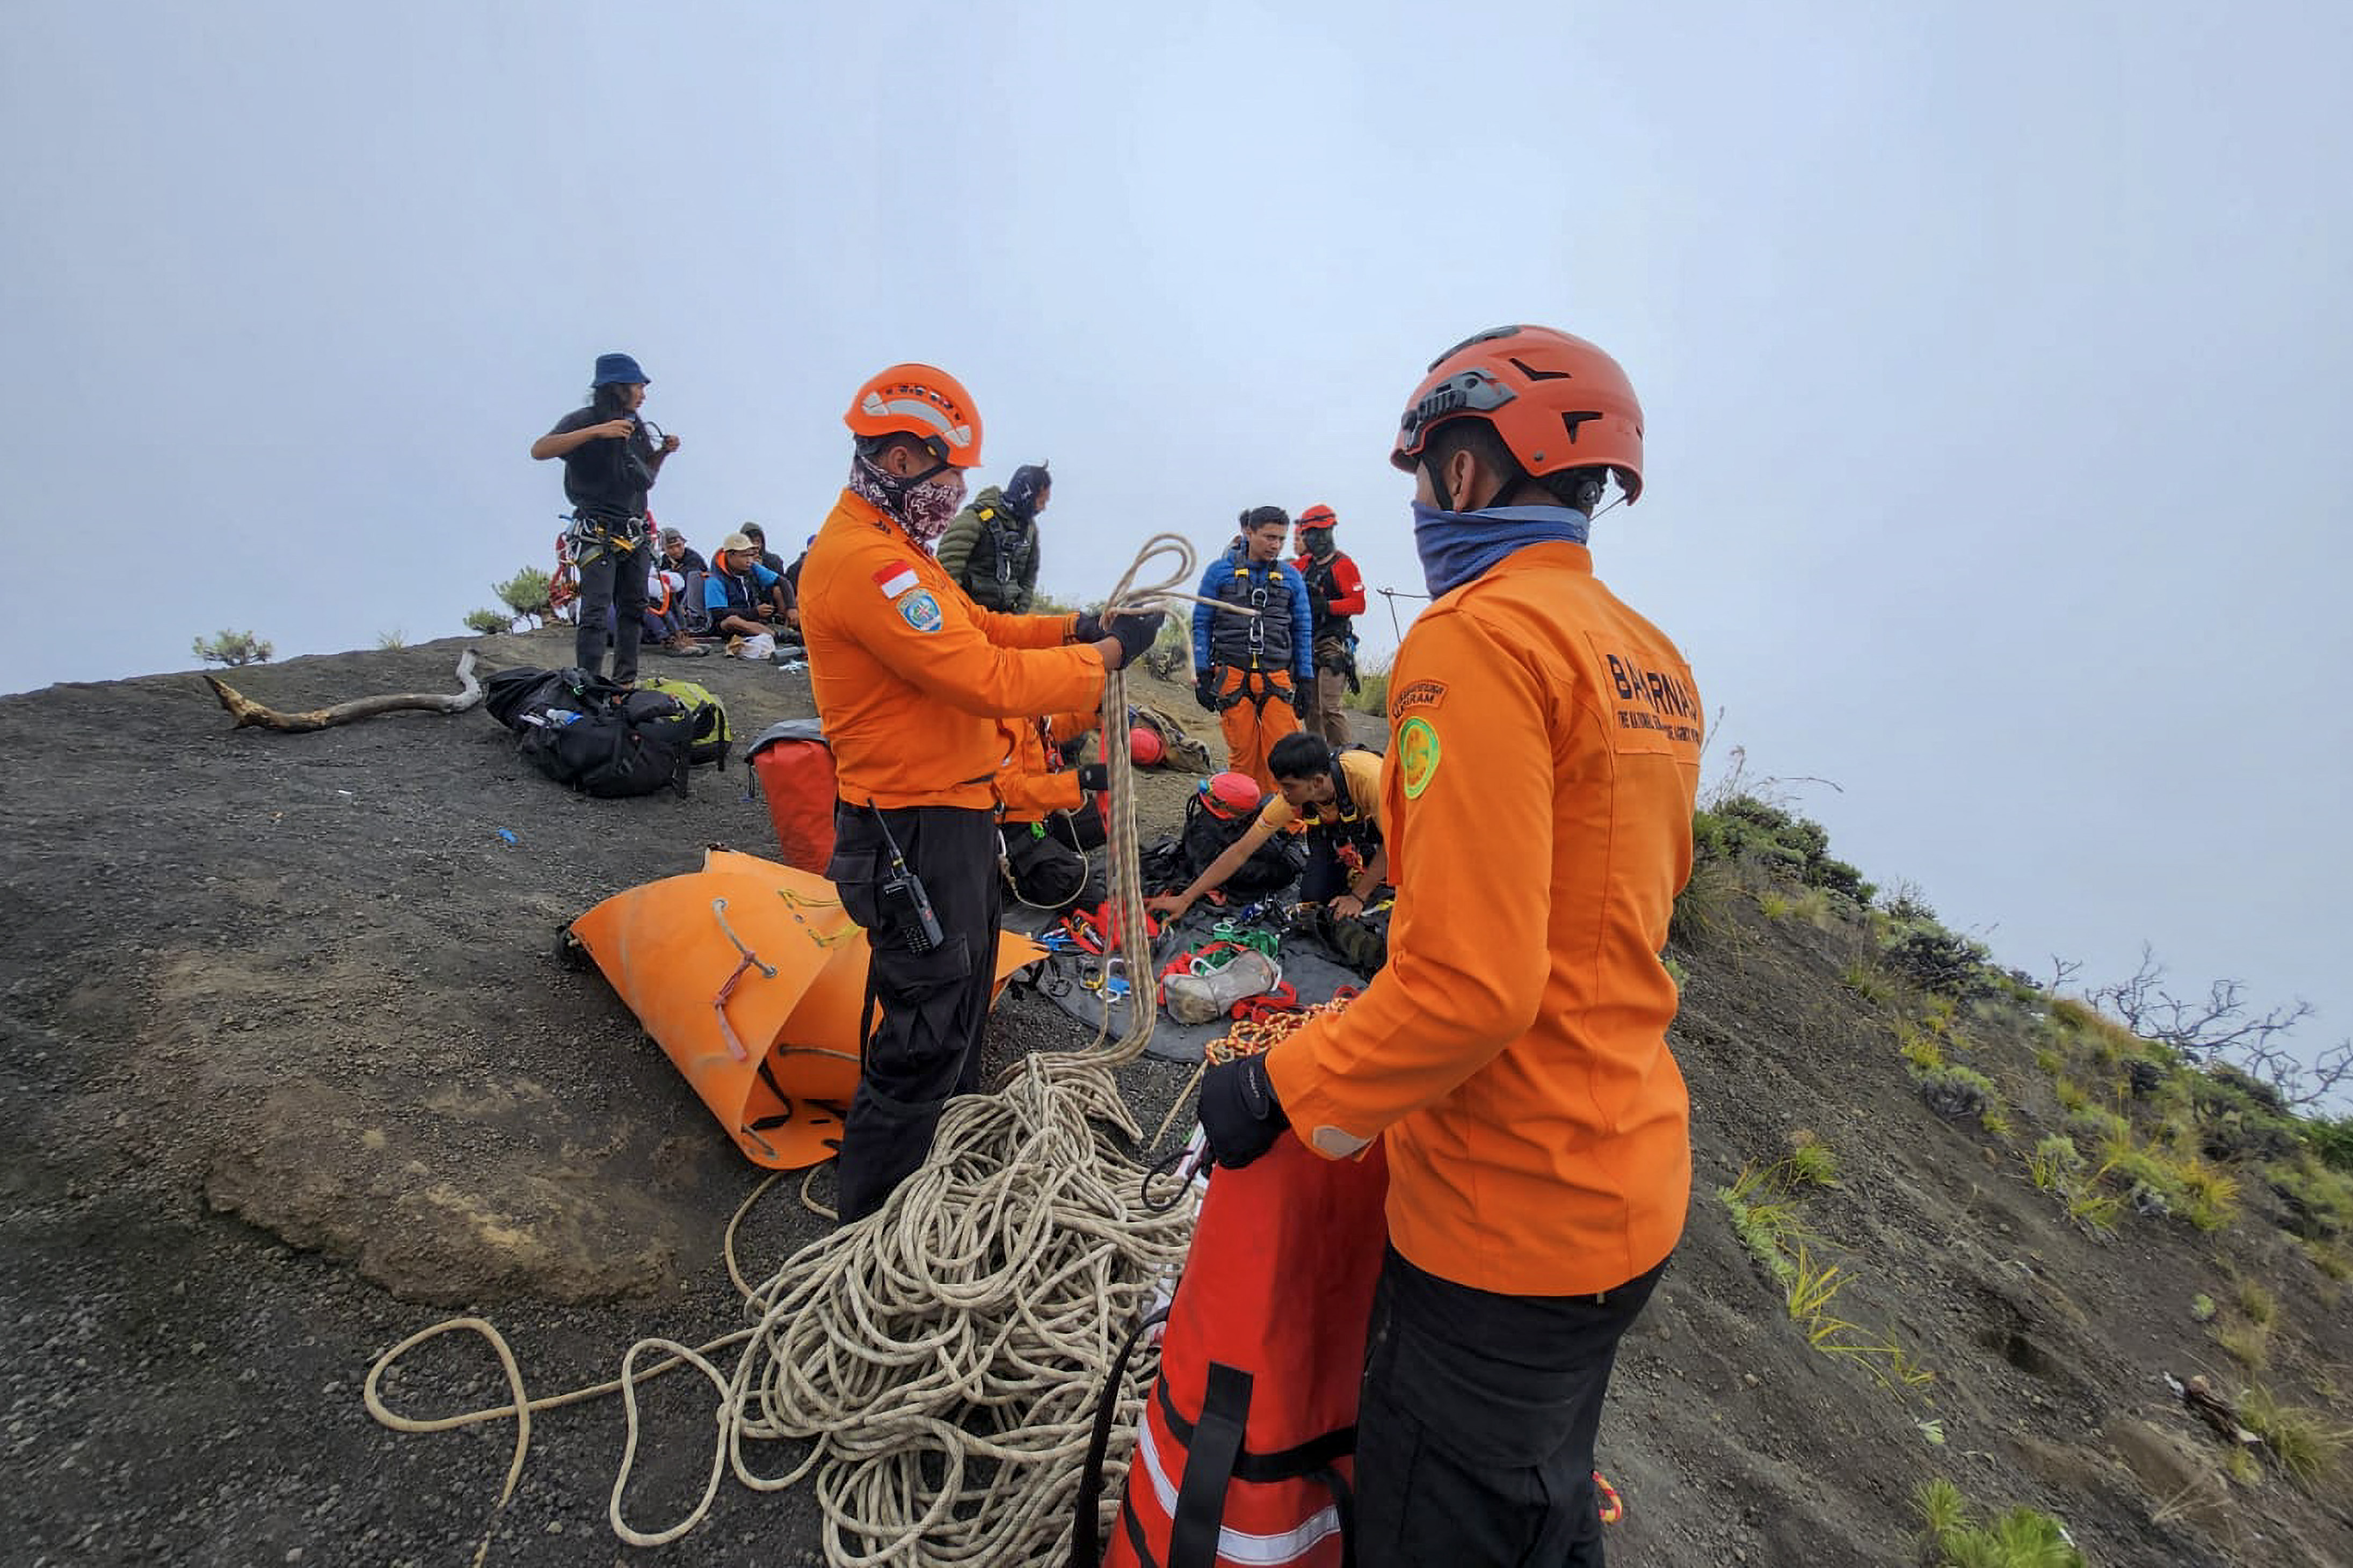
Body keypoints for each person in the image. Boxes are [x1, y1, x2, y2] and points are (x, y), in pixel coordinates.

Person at [1193, 325, 1701, 1567]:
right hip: (1627, 1179)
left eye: (1422, 474)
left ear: (1467, 474)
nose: (1420, 503)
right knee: (1545, 1500)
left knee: (1444, 1521)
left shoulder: (1474, 640)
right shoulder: (1651, 659)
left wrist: (1277, 1085)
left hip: (1506, 1217)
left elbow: (1474, 985)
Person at [798, 363, 1163, 1222]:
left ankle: (936, 1197)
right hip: (911, 831)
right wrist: (1103, 660)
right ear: (895, 457)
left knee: (958, 1008)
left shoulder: (898, 555)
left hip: (949, 818)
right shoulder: (865, 566)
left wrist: (1078, 627)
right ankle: (872, 1238)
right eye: (947, 472)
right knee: (925, 1029)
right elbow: (982, 674)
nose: (958, 491)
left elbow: (983, 625)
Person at [529, 352, 680, 685]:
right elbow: (540, 449)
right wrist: (599, 432)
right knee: (595, 611)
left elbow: (644, 479)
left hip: (634, 530)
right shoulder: (586, 419)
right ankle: (589, 684)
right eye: (638, 386)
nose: (643, 394)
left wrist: (662, 453)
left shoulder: (636, 428)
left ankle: (625, 682)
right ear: (617, 388)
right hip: (596, 530)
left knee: (633, 607)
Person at [1145, 732, 1385, 922]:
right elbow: (1241, 851)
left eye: (1289, 787)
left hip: (1389, 823)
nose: (1282, 794)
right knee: (1315, 895)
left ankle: (1367, 861)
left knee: (1402, 871)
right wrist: (1186, 898)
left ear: (1317, 783)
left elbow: (1397, 842)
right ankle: (1359, 860)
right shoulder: (1296, 794)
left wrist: (1358, 897)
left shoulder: (1371, 779)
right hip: (1338, 828)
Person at [1190, 506, 1314, 796]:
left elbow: (1303, 629)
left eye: (1281, 539)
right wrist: (1203, 671)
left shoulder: (1292, 577)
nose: (1276, 545)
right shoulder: (1219, 573)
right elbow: (1202, 622)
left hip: (1277, 676)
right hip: (1232, 674)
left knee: (1285, 759)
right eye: (1270, 537)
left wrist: (1306, 679)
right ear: (1249, 532)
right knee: (1243, 756)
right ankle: (1243, 818)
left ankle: (1287, 830)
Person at [1292, 504, 1368, 750]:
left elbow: (1358, 604)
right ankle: (1317, 757)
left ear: (1326, 533)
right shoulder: (1303, 566)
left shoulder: (1344, 566)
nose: (1308, 538)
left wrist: (1326, 606)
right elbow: (1279, 576)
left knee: (1329, 707)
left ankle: (1345, 760)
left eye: (1312, 533)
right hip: (1306, 642)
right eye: (1306, 533)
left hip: (1333, 642)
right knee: (1310, 707)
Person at [936, 462, 1051, 612]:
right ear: (1027, 494)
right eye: (1041, 501)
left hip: (1004, 622)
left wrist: (1018, 617)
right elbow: (947, 573)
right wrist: (963, 616)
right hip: (967, 618)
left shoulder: (1030, 530)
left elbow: (1029, 577)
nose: (1043, 508)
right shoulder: (974, 519)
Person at [704, 531, 794, 642]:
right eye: (744, 556)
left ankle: (787, 627)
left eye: (751, 555)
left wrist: (792, 608)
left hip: (755, 620)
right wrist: (754, 612)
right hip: (724, 627)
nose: (750, 561)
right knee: (733, 621)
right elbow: (718, 613)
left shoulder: (753, 568)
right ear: (730, 556)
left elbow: (782, 581)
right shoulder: (715, 580)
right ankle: (778, 636)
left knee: (779, 590)